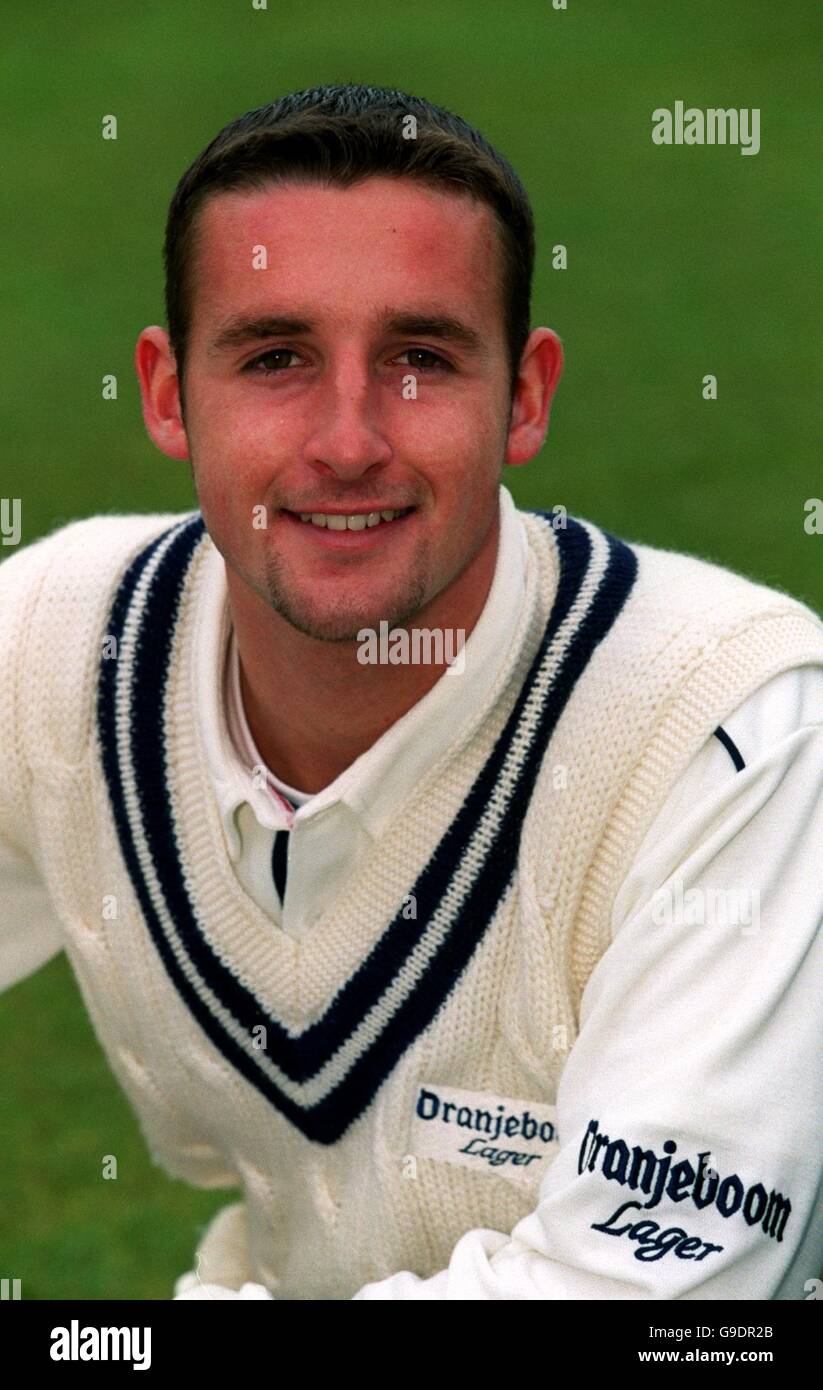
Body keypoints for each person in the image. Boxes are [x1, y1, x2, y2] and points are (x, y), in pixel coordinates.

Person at [1, 83, 821, 1302]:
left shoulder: (734, 719)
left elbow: (643, 1304)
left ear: (526, 394)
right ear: (167, 392)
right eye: (275, 356)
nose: (347, 440)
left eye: (420, 359)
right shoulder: (62, 642)